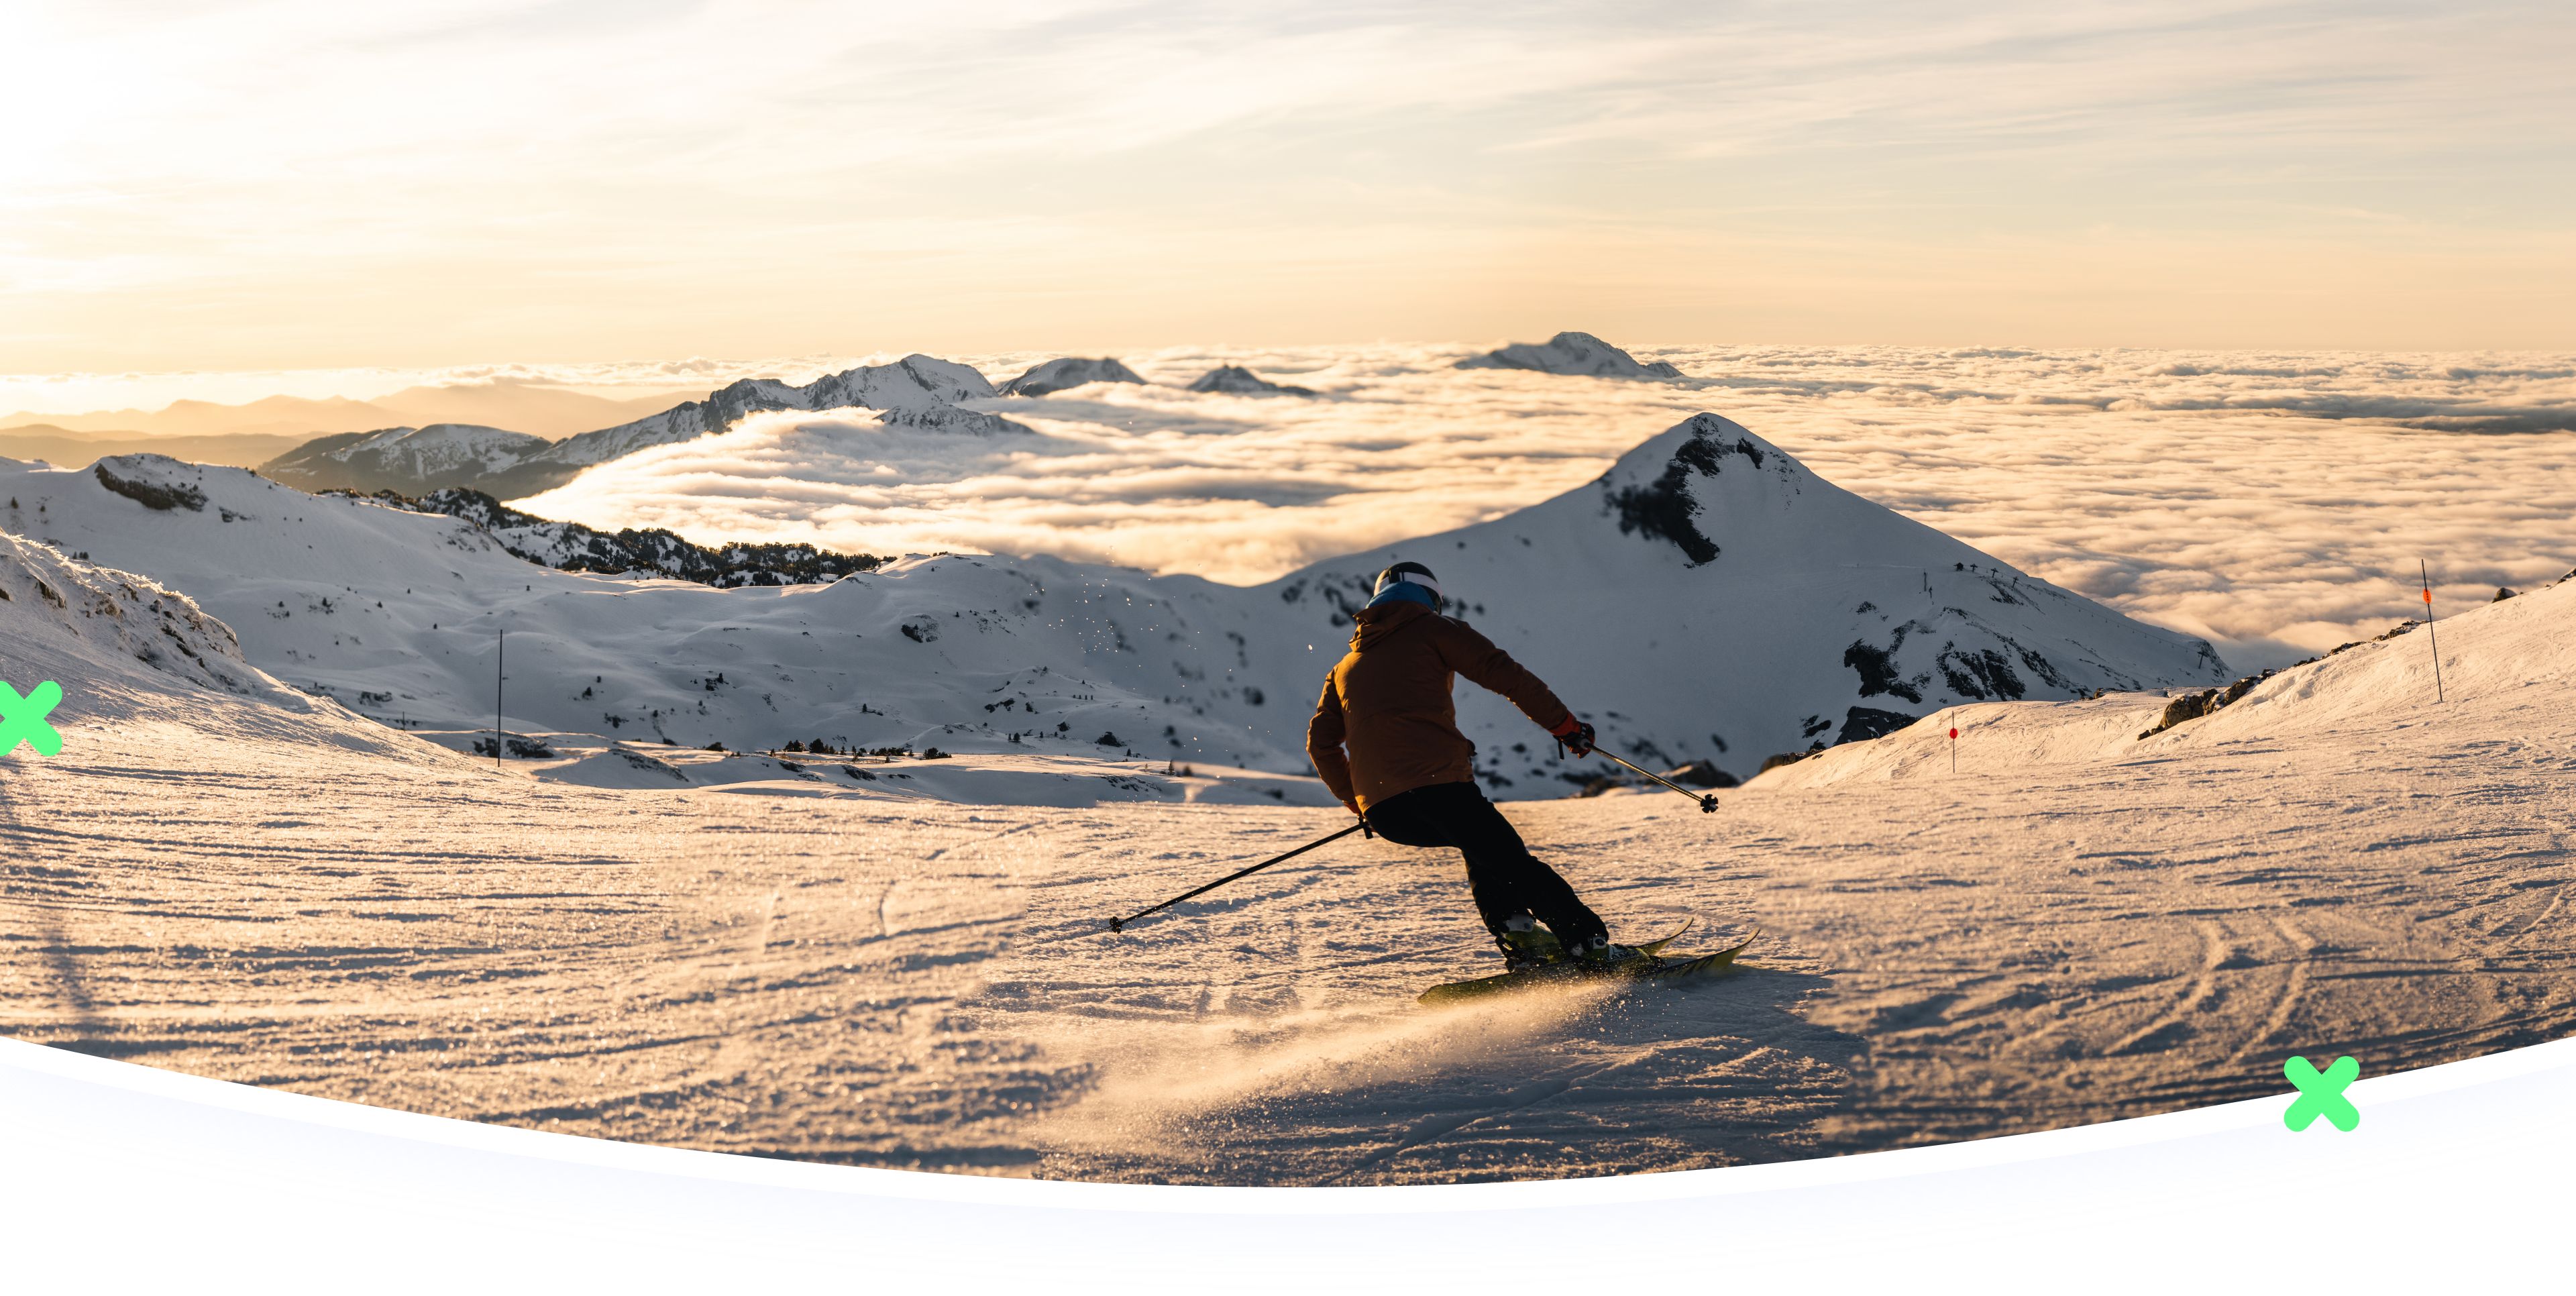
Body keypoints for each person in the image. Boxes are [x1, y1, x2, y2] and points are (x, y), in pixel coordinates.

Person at [1305, 561, 1633, 970]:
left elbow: (1321, 745)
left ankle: (1519, 934)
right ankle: (1590, 945)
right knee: (1511, 861)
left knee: (1481, 848)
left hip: (1386, 813)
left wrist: (1359, 803)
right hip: (1440, 789)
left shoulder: (1343, 668)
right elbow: (1506, 675)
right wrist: (1565, 727)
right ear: (1431, 598)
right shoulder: (1435, 629)